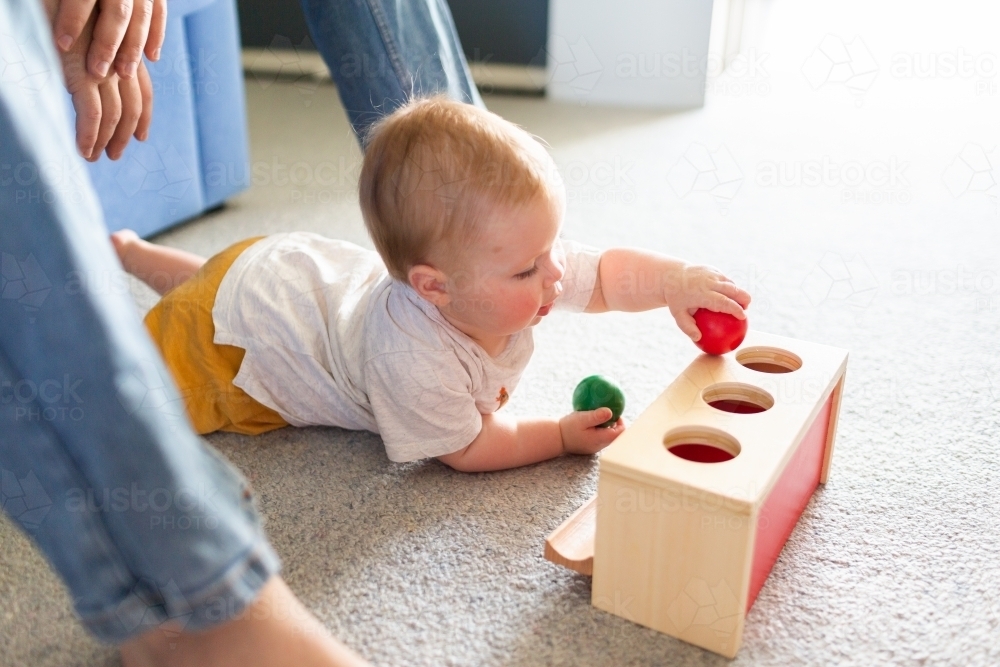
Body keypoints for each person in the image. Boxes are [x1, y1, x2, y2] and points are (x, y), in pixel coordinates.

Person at [2, 0, 481, 664]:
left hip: (245, 278)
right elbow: (468, 445)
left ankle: (485, 213)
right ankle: (196, 599)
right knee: (206, 322)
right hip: (224, 320)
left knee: (224, 286)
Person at [110, 96, 752, 473]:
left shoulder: (523, 263)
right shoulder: (412, 357)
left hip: (278, 273)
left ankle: (135, 254)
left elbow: (608, 276)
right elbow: (468, 447)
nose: (556, 272)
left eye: (550, 249)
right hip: (239, 347)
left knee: (215, 281)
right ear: (434, 288)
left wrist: (674, 281)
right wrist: (555, 435)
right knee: (126, 405)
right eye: (528, 269)